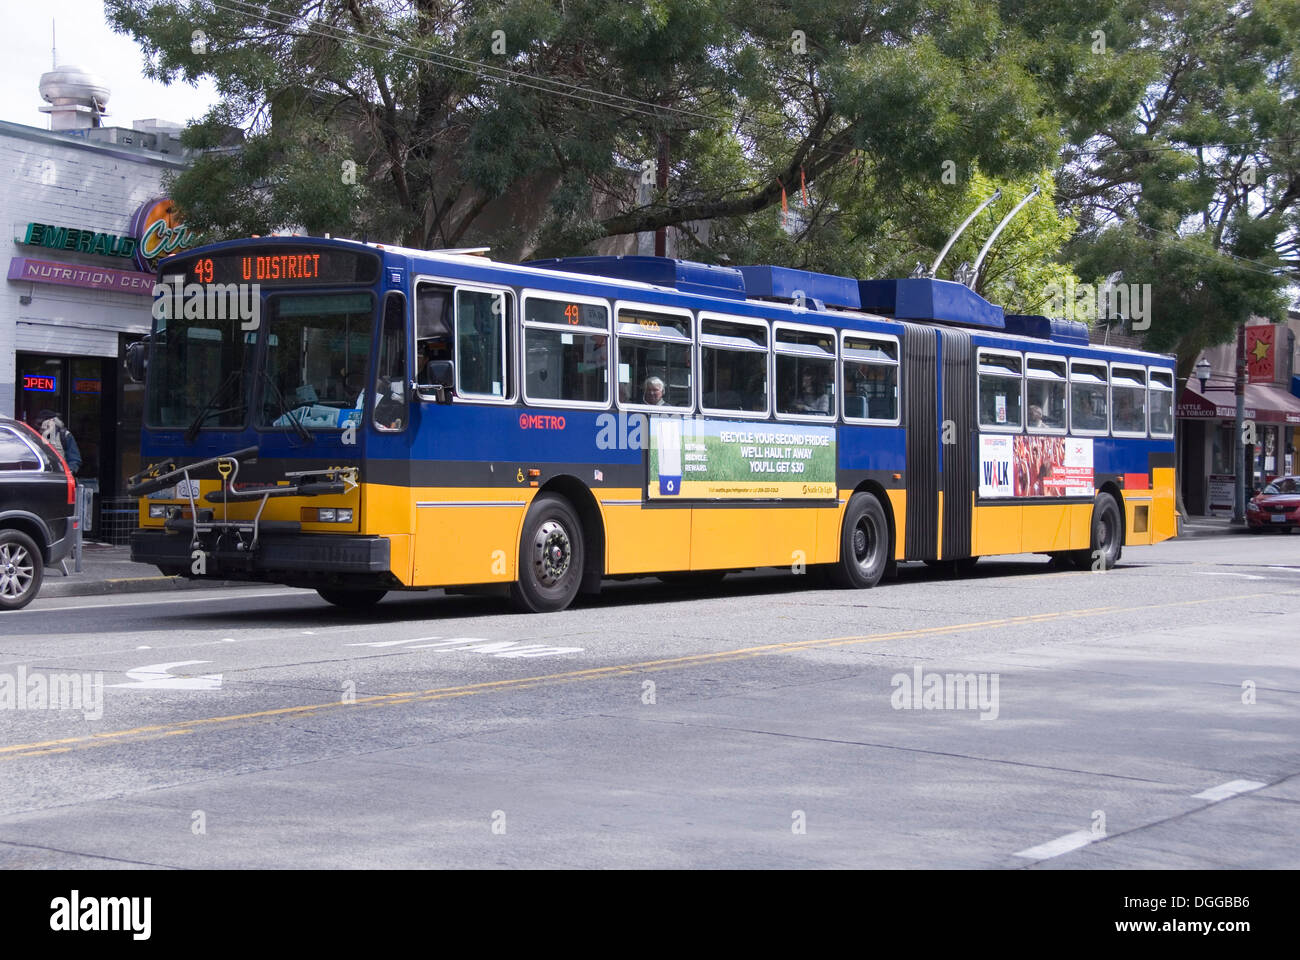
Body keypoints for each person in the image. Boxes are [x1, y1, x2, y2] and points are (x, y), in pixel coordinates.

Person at [35, 409, 81, 475]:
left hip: (59, 475)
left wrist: (69, 472)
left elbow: (74, 459)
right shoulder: (33, 435)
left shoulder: (64, 435)